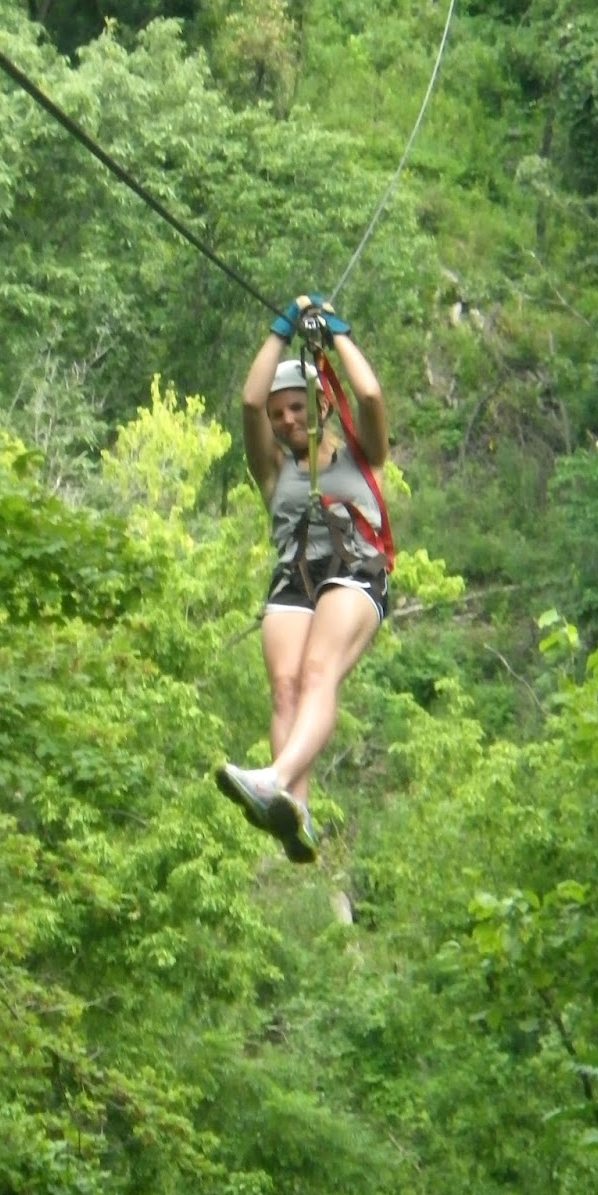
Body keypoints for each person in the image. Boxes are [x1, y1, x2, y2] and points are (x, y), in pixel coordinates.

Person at [217, 295, 391, 863]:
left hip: (355, 571)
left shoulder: (363, 453)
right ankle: (296, 809)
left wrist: (337, 332)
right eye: (279, 414)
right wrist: (280, 331)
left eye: (296, 407)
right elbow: (248, 400)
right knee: (286, 686)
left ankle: (275, 778)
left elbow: (368, 395)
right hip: (293, 576)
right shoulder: (273, 470)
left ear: (319, 403)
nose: (287, 420)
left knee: (320, 671)